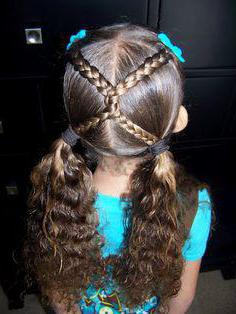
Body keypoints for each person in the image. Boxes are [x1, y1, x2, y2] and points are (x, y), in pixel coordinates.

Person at [23, 23, 215, 314]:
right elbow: (180, 300)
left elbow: (58, 295)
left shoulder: (55, 191)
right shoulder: (193, 205)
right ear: (178, 119)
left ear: (76, 118)